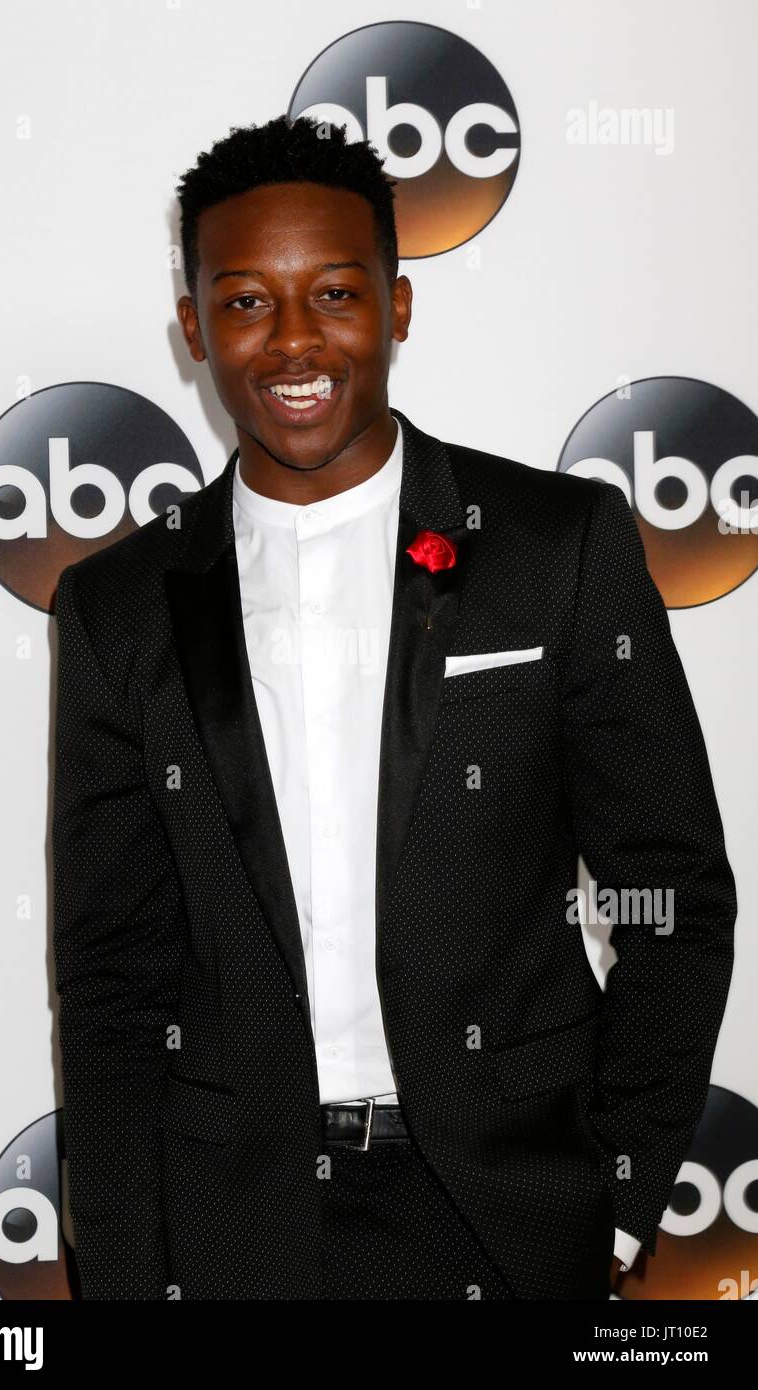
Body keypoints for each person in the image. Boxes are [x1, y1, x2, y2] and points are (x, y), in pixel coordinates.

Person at [52, 113, 737, 1300]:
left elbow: (667, 893)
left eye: (333, 293)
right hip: (228, 1227)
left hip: (501, 1214)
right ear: (193, 329)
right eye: (246, 301)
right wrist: (117, 1264)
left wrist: (617, 1202)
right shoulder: (117, 606)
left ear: (398, 306)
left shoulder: (553, 552)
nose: (293, 342)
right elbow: (111, 975)